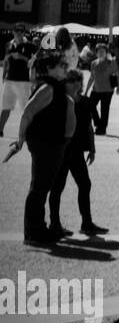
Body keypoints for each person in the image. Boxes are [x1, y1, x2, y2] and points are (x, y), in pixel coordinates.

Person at [12, 51, 75, 246]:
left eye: (66, 65)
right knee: (39, 187)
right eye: (61, 66)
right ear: (49, 69)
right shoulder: (47, 88)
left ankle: (38, 228)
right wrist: (20, 139)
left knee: (42, 186)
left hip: (51, 143)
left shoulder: (53, 86)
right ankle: (33, 232)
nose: (66, 68)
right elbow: (27, 113)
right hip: (45, 143)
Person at [48, 69, 106, 238]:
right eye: (70, 80)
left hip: (77, 151)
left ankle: (86, 223)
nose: (74, 83)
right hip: (61, 150)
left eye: (77, 80)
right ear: (64, 83)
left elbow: (89, 127)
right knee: (57, 187)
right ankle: (55, 223)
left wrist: (93, 148)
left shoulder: (86, 102)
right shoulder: (58, 101)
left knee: (85, 184)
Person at [86, 43, 119, 135]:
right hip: (96, 90)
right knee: (90, 106)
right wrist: (86, 90)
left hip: (108, 90)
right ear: (96, 53)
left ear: (106, 53)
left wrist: (118, 87)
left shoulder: (111, 62)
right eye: (99, 51)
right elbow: (91, 78)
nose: (101, 53)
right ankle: (98, 123)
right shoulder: (93, 63)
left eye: (103, 51)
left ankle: (102, 129)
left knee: (104, 110)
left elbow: (118, 75)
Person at [0, 38, 33, 138]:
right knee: (6, 107)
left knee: (26, 108)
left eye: (21, 31)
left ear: (23, 33)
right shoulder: (9, 44)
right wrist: (4, 74)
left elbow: (33, 62)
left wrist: (22, 57)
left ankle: (28, 132)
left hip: (23, 82)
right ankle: (0, 130)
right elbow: (6, 60)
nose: (19, 32)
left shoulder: (29, 45)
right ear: (14, 32)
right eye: (16, 30)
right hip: (9, 81)